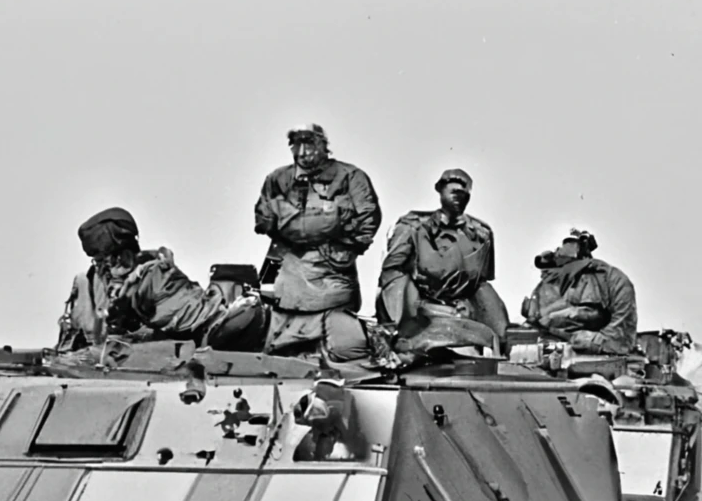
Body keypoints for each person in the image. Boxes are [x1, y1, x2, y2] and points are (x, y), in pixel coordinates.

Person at [254, 123, 382, 361]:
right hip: (289, 276)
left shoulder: (350, 177)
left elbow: (368, 220)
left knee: (342, 352)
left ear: (324, 145)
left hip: (332, 278)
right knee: (278, 351)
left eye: (309, 143)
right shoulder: (277, 179)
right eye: (296, 144)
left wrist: (339, 246)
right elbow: (264, 220)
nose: (302, 152)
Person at [58, 207, 266, 352]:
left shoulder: (154, 275)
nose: (111, 267)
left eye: (117, 258)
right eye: (102, 261)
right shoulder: (88, 283)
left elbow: (200, 317)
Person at [377, 168, 509, 356]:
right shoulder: (413, 227)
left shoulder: (481, 234)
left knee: (481, 353)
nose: (458, 196)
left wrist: (499, 331)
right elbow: (392, 273)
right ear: (440, 191)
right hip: (420, 312)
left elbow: (480, 283)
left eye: (464, 193)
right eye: (453, 191)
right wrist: (397, 324)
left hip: (461, 313)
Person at [521, 229, 638, 354]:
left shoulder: (588, 273)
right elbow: (567, 304)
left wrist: (547, 319)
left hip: (610, 341)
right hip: (605, 339)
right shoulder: (576, 274)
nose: (544, 275)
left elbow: (593, 314)